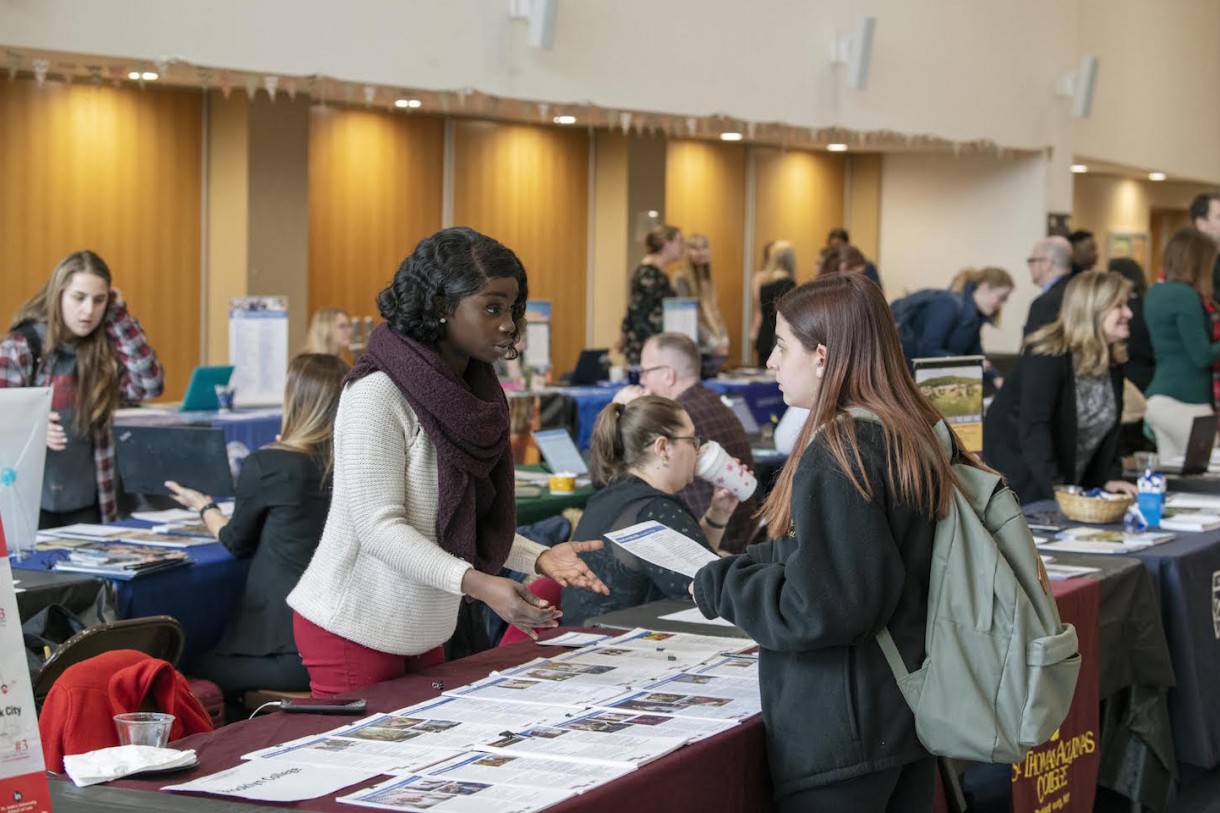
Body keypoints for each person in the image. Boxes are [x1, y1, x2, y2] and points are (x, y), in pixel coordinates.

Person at [286, 227, 608, 696]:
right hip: (354, 622)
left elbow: (461, 524)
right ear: (441, 307)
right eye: (492, 307)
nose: (509, 324)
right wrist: (479, 583)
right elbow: (379, 528)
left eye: (513, 309)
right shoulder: (377, 393)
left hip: (423, 621)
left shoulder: (476, 394)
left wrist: (536, 557)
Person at [691, 272, 964, 811]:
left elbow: (823, 608)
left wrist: (726, 583)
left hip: (846, 728)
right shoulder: (916, 427)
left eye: (780, 346)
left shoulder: (842, 447)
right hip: (904, 709)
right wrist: (766, 559)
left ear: (822, 355)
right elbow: (873, 555)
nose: (770, 361)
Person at [163, 353, 348, 705]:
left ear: (295, 401)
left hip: (289, 656)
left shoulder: (271, 463)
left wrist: (204, 507)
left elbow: (236, 541)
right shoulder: (351, 465)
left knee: (188, 662)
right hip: (343, 642)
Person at [0, 250, 163, 527]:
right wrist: (30, 424)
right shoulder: (22, 346)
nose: (88, 311)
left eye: (99, 301)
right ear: (58, 294)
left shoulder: (104, 351)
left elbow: (149, 385)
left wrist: (119, 317)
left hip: (88, 499)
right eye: (78, 298)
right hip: (26, 501)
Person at [562, 395, 737, 626]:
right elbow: (713, 591)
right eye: (692, 441)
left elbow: (690, 561)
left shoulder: (616, 495)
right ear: (663, 447)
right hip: (616, 643)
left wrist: (718, 513)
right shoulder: (655, 509)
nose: (698, 450)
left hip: (585, 636)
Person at [983, 272, 1139, 503]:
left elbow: (1109, 430)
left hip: (1068, 487)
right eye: (1119, 306)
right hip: (1025, 487)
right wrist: (1060, 491)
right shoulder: (1047, 354)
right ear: (1092, 309)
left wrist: (1108, 477)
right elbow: (1035, 429)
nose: (1129, 313)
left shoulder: (1110, 360)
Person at [632, 333, 759, 553]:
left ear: (668, 375)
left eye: (645, 372)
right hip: (744, 537)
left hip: (709, 545)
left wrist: (626, 410)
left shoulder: (675, 422)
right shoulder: (718, 404)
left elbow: (612, 478)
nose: (641, 380)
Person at [1144, 227, 1220, 460]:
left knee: (1174, 479)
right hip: (1187, 403)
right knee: (1210, 471)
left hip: (1159, 399)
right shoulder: (1186, 296)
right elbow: (1202, 356)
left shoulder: (1156, 291)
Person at [895, 266, 1014, 361]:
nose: (1000, 305)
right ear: (984, 287)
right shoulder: (947, 305)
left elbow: (975, 356)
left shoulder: (975, 318)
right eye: (1001, 298)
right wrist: (965, 362)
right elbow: (928, 350)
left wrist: (995, 377)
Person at [616, 225, 684, 365]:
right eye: (679, 241)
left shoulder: (659, 273)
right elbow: (635, 311)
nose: (682, 246)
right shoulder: (648, 274)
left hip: (656, 344)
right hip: (647, 346)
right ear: (666, 243)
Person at [670, 234, 730, 375]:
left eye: (704, 247)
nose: (700, 252)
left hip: (714, 347)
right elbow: (689, 317)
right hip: (696, 346)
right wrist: (712, 342)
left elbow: (715, 313)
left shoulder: (708, 280)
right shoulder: (681, 278)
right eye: (694, 248)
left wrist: (723, 337)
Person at [752, 240, 797, 366]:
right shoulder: (787, 283)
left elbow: (759, 308)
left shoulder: (764, 282)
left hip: (764, 333)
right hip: (777, 337)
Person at [1023, 235, 1074, 335]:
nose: (1030, 266)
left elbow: (1034, 348)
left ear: (1047, 264)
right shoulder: (1080, 293)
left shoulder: (1044, 304)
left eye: (1032, 260)